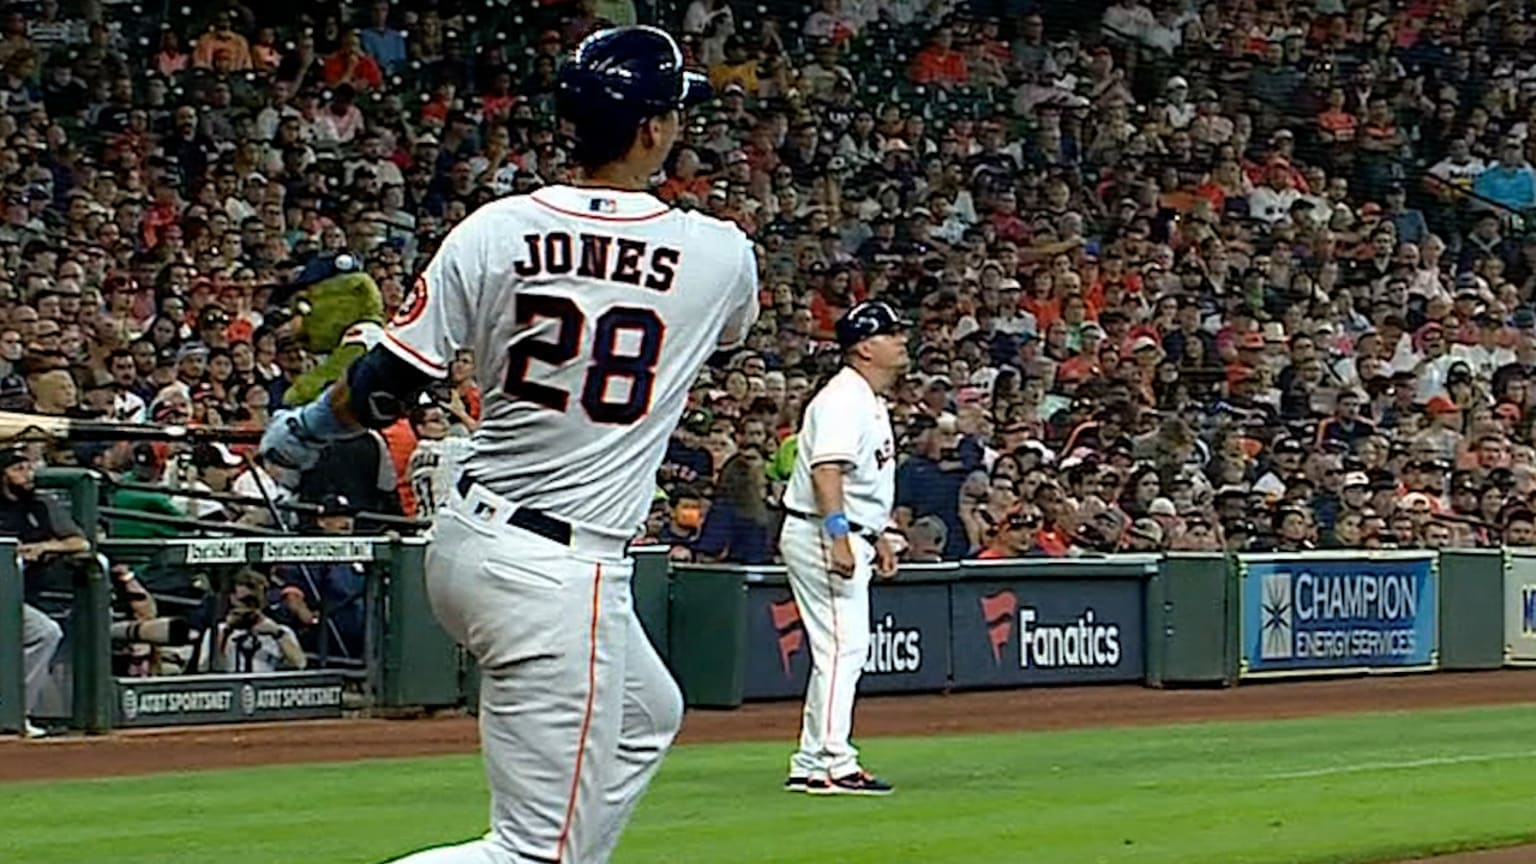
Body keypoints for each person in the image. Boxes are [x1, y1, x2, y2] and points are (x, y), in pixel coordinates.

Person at [261, 26, 756, 864]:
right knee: (529, 855)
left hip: (471, 541)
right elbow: (729, 342)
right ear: (652, 131)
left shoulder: (493, 229)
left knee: (646, 716)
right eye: (674, 112)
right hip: (560, 571)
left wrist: (310, 425)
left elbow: (386, 386)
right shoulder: (720, 253)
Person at [779, 299, 906, 796]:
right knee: (843, 650)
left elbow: (863, 480)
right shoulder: (843, 399)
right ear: (863, 348)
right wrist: (838, 535)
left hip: (848, 529)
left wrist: (882, 534)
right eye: (890, 334)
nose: (901, 340)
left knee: (837, 651)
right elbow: (826, 469)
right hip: (822, 529)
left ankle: (812, 760)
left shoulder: (867, 398)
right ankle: (834, 762)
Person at [0, 448, 84, 737]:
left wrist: (44, 547)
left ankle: (14, 712)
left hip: (16, 598)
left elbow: (79, 543)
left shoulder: (39, 505)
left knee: (46, 633)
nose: (27, 475)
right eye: (18, 469)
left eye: (28, 467)